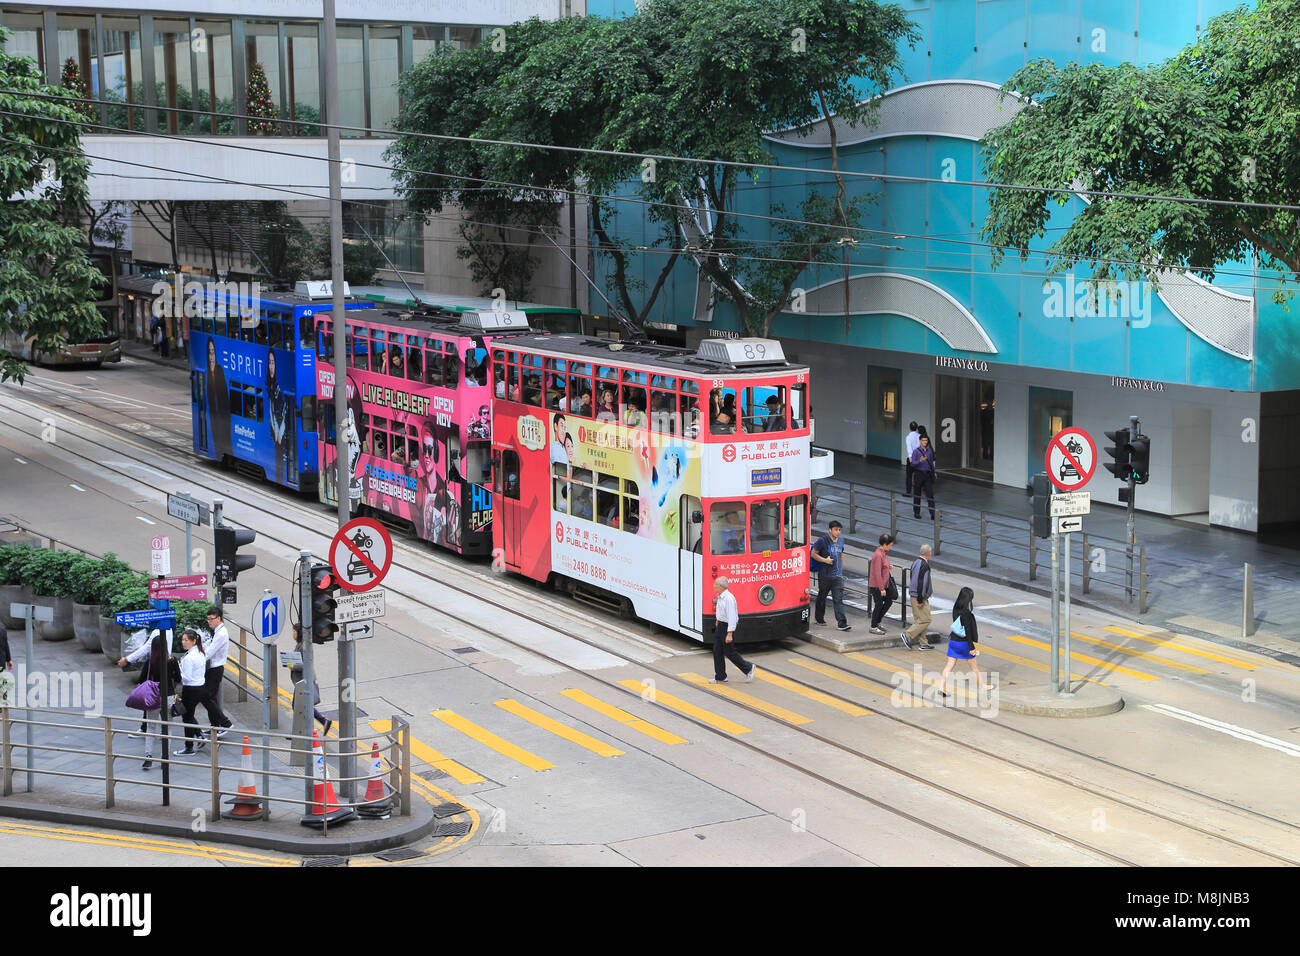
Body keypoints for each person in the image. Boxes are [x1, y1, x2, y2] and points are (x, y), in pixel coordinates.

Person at [118, 630, 177, 770]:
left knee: (151, 727)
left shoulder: (150, 662)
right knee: (167, 728)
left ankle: (148, 757)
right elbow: (178, 678)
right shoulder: (172, 661)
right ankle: (165, 758)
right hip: (168, 696)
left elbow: (141, 680)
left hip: (153, 698)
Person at [173, 629, 219, 756]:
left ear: (193, 641)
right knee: (189, 714)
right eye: (183, 639)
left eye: (186, 640)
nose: (183, 642)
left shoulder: (189, 658)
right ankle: (199, 735)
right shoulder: (200, 653)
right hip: (200, 687)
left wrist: (179, 668)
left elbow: (186, 677)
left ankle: (189, 747)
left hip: (190, 689)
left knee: (186, 717)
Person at [938, 586, 992, 695]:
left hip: (953, 641)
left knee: (949, 665)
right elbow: (967, 631)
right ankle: (982, 686)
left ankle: (941, 687)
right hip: (963, 644)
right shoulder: (966, 613)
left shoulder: (955, 608)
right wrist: (972, 647)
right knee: (974, 667)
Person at [710, 577, 755, 684]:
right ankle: (720, 676)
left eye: (715, 584)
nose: (714, 586)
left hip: (727, 628)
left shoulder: (729, 598)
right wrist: (717, 620)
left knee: (730, 652)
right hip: (720, 626)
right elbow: (721, 611)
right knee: (717, 651)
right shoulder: (720, 596)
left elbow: (732, 617)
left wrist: (729, 633)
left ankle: (748, 668)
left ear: (721, 587)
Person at [811, 520, 850, 631]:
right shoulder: (822, 541)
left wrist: (840, 571)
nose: (838, 532)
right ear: (830, 530)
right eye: (836, 530)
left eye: (839, 530)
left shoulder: (841, 541)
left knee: (838, 599)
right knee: (822, 597)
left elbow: (841, 554)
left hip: (837, 577)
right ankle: (819, 618)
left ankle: (842, 623)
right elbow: (813, 554)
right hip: (825, 576)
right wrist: (825, 560)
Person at [201, 607, 234, 734]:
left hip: (215, 669)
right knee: (211, 698)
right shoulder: (217, 631)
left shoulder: (221, 634)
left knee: (206, 697)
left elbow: (209, 652)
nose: (209, 621)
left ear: (219, 618)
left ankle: (225, 724)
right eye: (208, 619)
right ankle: (214, 726)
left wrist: (196, 660)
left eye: (211, 619)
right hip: (211, 668)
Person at [290, 636, 332, 736]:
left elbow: (306, 664)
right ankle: (322, 721)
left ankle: (301, 731)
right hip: (301, 682)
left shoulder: (304, 646)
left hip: (304, 681)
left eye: (295, 631)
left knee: (299, 706)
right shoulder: (300, 644)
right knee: (300, 706)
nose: (293, 634)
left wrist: (293, 666)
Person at [902, 544, 935, 650]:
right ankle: (907, 635)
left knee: (919, 620)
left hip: (913, 595)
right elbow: (922, 583)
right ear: (929, 554)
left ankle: (923, 643)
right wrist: (921, 599)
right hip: (919, 597)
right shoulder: (925, 565)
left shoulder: (915, 562)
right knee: (926, 619)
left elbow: (914, 579)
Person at [204, 338, 231, 459]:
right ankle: (218, 454)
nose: (211, 356)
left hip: (223, 416)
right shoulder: (206, 373)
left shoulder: (219, 370)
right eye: (209, 352)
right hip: (213, 415)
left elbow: (225, 397)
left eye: (213, 352)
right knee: (216, 442)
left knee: (224, 440)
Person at [867, 532, 895, 635]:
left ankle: (877, 621)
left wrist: (888, 566)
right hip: (877, 586)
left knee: (888, 601)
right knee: (879, 604)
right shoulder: (878, 555)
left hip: (884, 584)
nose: (891, 547)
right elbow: (877, 573)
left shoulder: (883, 553)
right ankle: (873, 626)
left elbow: (883, 566)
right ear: (885, 544)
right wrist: (881, 588)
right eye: (890, 545)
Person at [911, 434, 936, 520]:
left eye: (926, 440)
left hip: (927, 475)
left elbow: (931, 462)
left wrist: (934, 472)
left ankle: (932, 513)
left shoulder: (929, 451)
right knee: (917, 494)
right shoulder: (916, 451)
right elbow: (912, 464)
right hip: (918, 474)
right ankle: (916, 512)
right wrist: (919, 460)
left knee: (930, 494)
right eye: (923, 440)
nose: (925, 442)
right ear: (920, 441)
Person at [904, 421, 920, 495]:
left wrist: (910, 456)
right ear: (916, 428)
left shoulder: (908, 437)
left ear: (910, 428)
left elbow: (909, 447)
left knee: (909, 476)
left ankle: (908, 492)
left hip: (911, 458)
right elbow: (919, 447)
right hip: (919, 458)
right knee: (917, 476)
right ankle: (917, 492)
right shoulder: (919, 436)